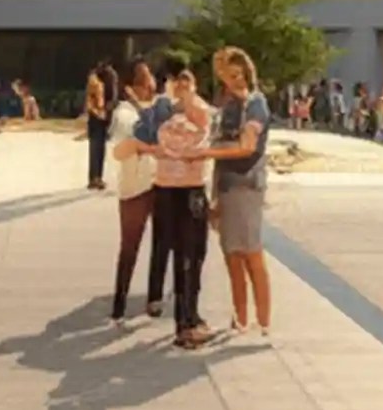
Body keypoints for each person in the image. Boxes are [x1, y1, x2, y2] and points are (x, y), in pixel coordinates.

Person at [198, 47, 272, 335]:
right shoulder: (226, 106)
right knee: (231, 253)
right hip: (226, 182)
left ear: (246, 73)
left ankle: (263, 319)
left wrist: (203, 153)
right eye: (225, 75)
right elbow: (218, 148)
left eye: (235, 74)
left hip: (247, 182)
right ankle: (240, 316)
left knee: (251, 250)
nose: (231, 81)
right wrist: (214, 193)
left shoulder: (256, 104)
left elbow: (248, 146)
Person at [149, 60, 214, 349]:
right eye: (180, 84)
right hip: (181, 191)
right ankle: (185, 324)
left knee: (191, 256)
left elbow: (193, 146)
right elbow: (192, 147)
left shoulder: (189, 110)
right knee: (187, 256)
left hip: (178, 189)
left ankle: (190, 315)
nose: (183, 89)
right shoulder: (169, 111)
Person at [108, 57, 169, 322]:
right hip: (135, 188)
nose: (151, 85)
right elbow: (124, 148)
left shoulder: (155, 108)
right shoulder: (124, 114)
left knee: (161, 242)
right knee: (130, 246)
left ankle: (154, 298)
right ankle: (119, 303)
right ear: (132, 86)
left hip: (159, 182)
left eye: (151, 78)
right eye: (145, 80)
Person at [85, 64, 110, 189]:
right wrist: (99, 114)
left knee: (98, 149)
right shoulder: (95, 86)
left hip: (99, 117)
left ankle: (96, 177)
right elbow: (90, 105)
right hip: (96, 119)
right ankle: (95, 178)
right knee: (96, 149)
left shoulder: (97, 85)